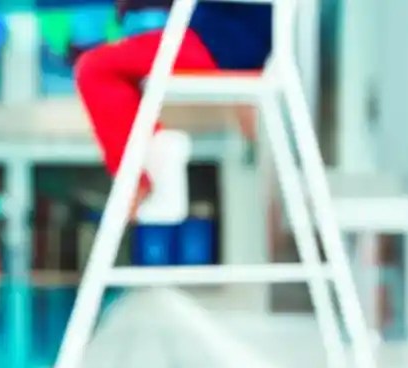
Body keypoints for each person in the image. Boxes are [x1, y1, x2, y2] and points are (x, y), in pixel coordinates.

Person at [75, 0, 273, 213]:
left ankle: (143, 178)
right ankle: (145, 169)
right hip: (230, 36)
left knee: (96, 69)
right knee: (101, 66)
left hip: (222, 42)